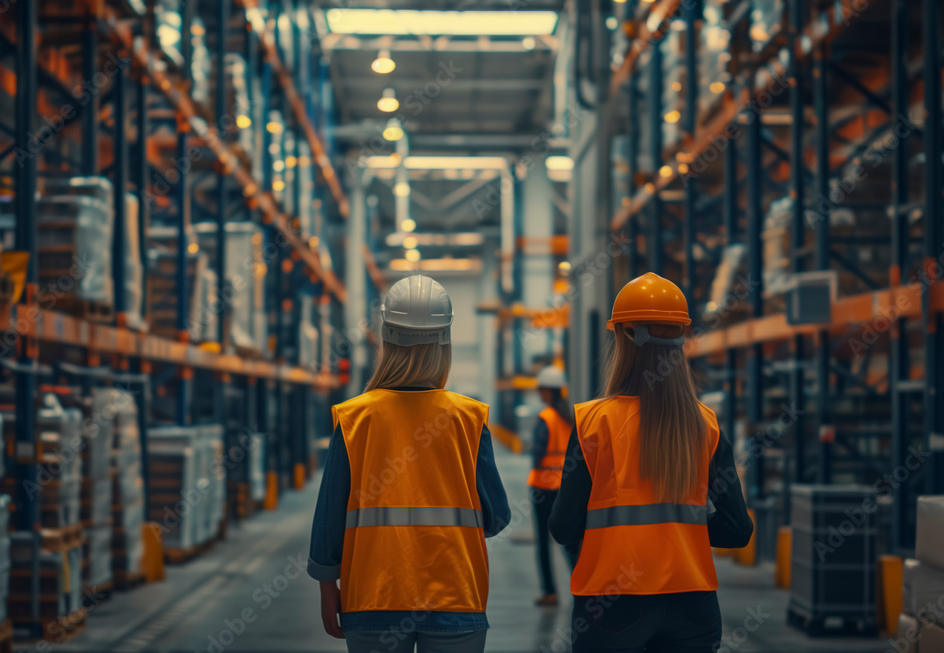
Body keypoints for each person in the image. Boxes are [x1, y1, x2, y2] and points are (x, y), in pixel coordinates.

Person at [550, 272, 754, 653]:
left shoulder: (592, 423)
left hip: (610, 606)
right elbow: (736, 531)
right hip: (692, 607)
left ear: (623, 337)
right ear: (680, 341)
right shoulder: (704, 424)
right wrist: (685, 524)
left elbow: (563, 527)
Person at [308, 274, 511, 653]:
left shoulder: (355, 419)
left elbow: (329, 517)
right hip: (455, 596)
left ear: (386, 339)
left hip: (373, 596)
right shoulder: (469, 418)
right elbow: (497, 517)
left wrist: (326, 585)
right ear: (445, 341)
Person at [527, 365, 575, 606]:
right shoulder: (571, 418)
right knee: (568, 540)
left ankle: (550, 592)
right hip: (564, 488)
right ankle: (580, 588)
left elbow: (537, 454)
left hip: (542, 488)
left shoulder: (545, 418)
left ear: (547, 391)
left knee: (543, 544)